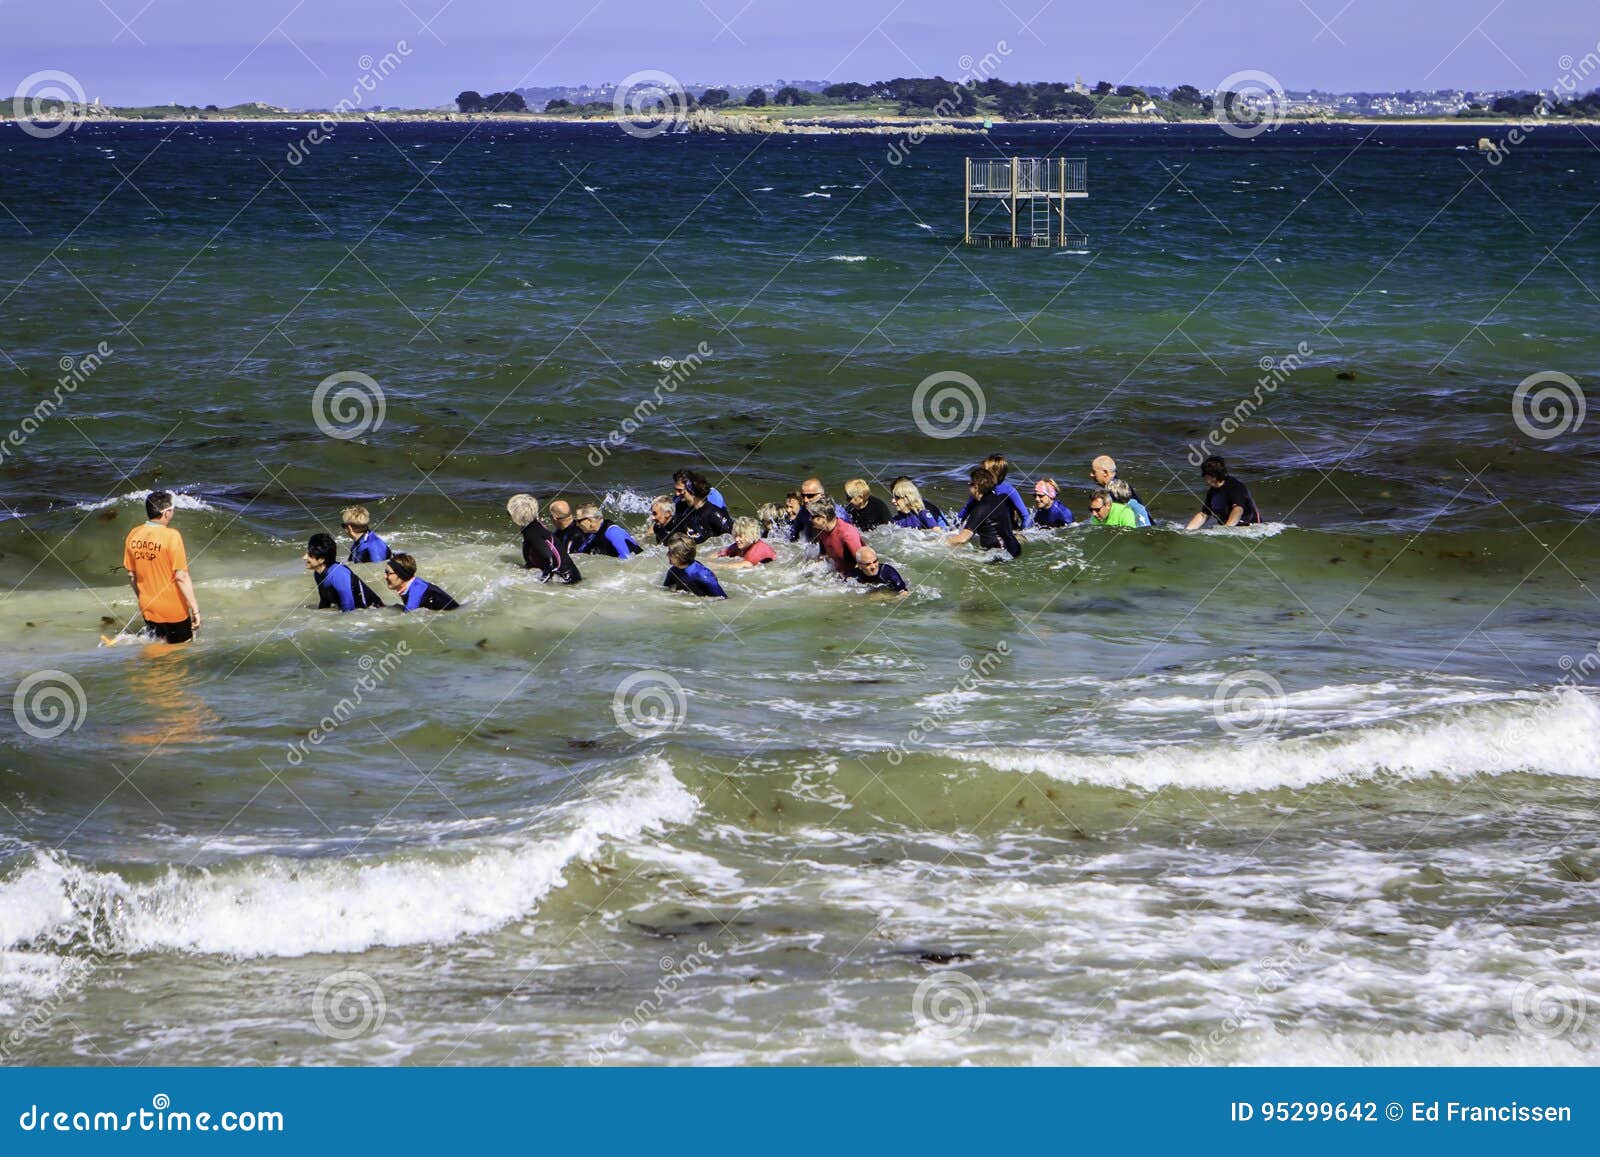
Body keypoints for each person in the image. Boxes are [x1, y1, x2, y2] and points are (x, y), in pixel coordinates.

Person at [122, 490, 201, 643]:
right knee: (180, 653)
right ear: (166, 513)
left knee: (158, 649)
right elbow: (181, 576)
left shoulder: (134, 533)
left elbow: (132, 575)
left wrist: (144, 599)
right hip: (173, 609)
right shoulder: (172, 535)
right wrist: (195, 610)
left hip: (148, 606)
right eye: (173, 510)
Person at [947, 467, 1022, 558]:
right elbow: (1015, 517)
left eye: (969, 484)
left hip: (998, 556)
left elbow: (963, 539)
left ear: (976, 487)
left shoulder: (979, 508)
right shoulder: (1003, 499)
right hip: (1015, 549)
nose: (968, 487)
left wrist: (939, 543)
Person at [506, 494, 582, 583]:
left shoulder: (532, 531)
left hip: (567, 579)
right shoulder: (533, 526)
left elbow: (550, 560)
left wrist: (542, 583)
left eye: (509, 513)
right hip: (570, 576)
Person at [305, 532, 385, 610]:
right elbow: (325, 601)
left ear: (321, 559)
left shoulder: (338, 574)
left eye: (309, 555)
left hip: (375, 610)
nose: (304, 557)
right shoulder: (318, 573)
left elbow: (348, 608)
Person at [955, 454, 1031, 531]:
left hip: (1009, 529)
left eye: (984, 470)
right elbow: (965, 511)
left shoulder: (1009, 490)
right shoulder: (978, 489)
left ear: (995, 473)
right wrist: (953, 528)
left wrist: (1023, 532)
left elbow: (1026, 516)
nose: (980, 473)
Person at [1185, 455, 1261, 529]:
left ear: (1212, 477)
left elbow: (1238, 510)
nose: (1203, 478)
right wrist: (1187, 531)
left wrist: (1226, 529)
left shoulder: (1235, 487)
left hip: (1250, 528)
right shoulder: (1212, 491)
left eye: (1204, 475)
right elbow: (1204, 514)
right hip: (1230, 527)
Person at [1090, 455, 1152, 527]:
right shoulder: (1115, 486)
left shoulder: (1116, 490)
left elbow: (1137, 509)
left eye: (1094, 472)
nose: (1091, 474)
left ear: (1105, 472)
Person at [383, 553, 460, 611]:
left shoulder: (417, 591)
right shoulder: (413, 584)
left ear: (401, 575)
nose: (385, 577)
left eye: (388, 573)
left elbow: (408, 617)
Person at [663, 534, 728, 598]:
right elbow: (665, 590)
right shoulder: (673, 571)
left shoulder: (703, 575)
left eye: (670, 552)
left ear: (680, 555)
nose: (667, 555)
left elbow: (722, 599)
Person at [808, 500, 863, 573]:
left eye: (812, 517)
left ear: (823, 518)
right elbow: (822, 555)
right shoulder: (821, 530)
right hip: (835, 575)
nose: (809, 519)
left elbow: (863, 564)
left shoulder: (847, 533)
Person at [789, 479, 850, 543]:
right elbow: (794, 532)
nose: (805, 500)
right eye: (803, 495)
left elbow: (848, 538)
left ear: (822, 495)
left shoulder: (837, 514)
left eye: (810, 496)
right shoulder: (804, 509)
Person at [573, 504, 642, 558]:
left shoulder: (613, 532)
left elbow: (626, 557)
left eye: (578, 521)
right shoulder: (594, 534)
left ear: (589, 520)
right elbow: (580, 553)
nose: (577, 524)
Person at [680, 476, 734, 543]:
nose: (681, 494)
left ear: (693, 494)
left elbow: (731, 538)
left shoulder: (713, 513)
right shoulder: (688, 512)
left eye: (684, 492)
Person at [713, 517, 777, 569]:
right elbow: (719, 554)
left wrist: (717, 566)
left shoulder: (756, 551)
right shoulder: (742, 544)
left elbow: (743, 565)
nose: (736, 539)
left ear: (751, 535)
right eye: (736, 535)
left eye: (740, 536)